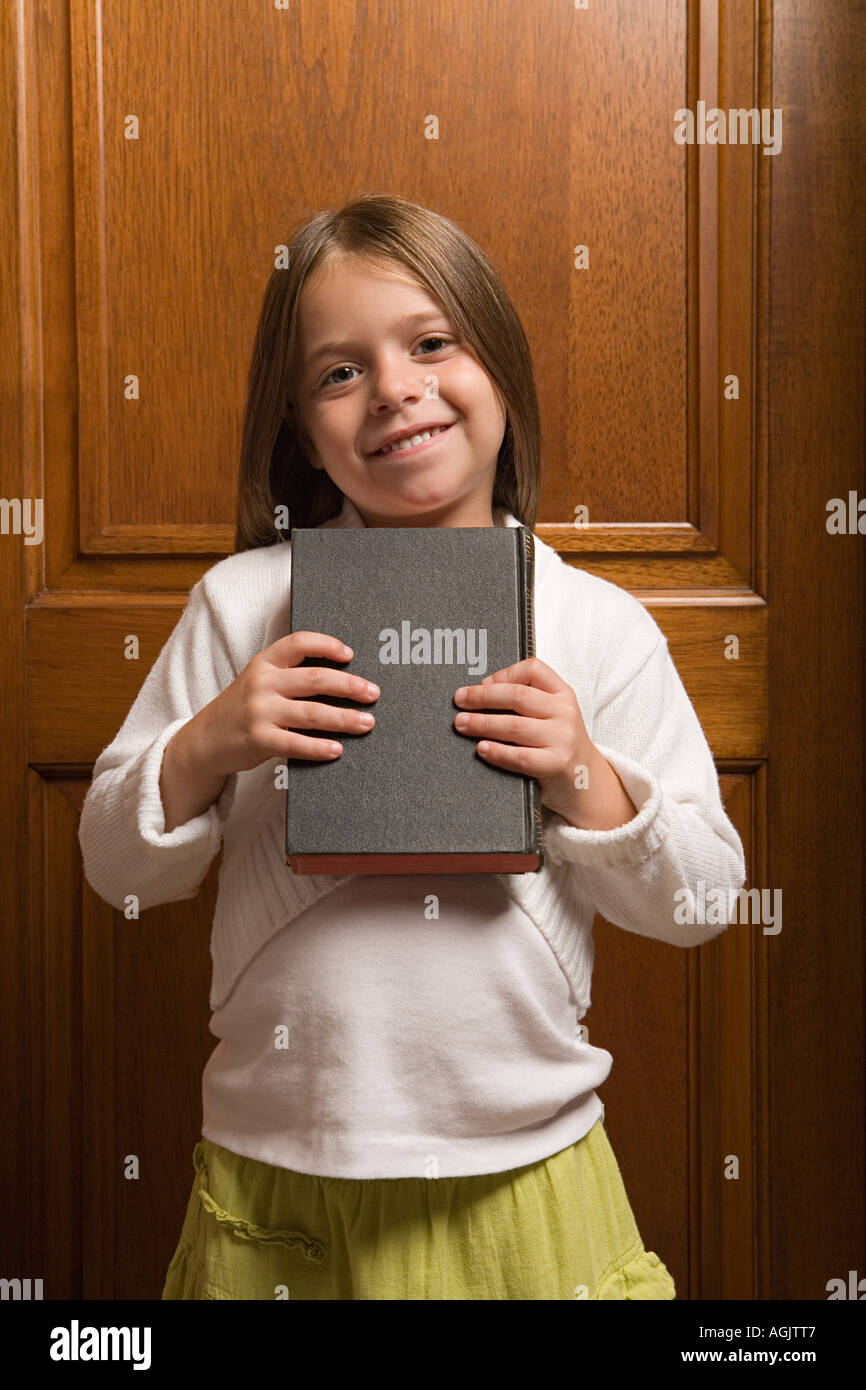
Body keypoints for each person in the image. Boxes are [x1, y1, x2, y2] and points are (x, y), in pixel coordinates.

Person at [78, 193, 747, 1300]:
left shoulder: (595, 623)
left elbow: (704, 901)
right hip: (278, 1173)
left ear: (500, 367)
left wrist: (583, 775)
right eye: (338, 372)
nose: (393, 388)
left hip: (525, 1177)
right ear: (299, 427)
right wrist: (208, 742)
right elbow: (115, 867)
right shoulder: (243, 604)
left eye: (431, 343)